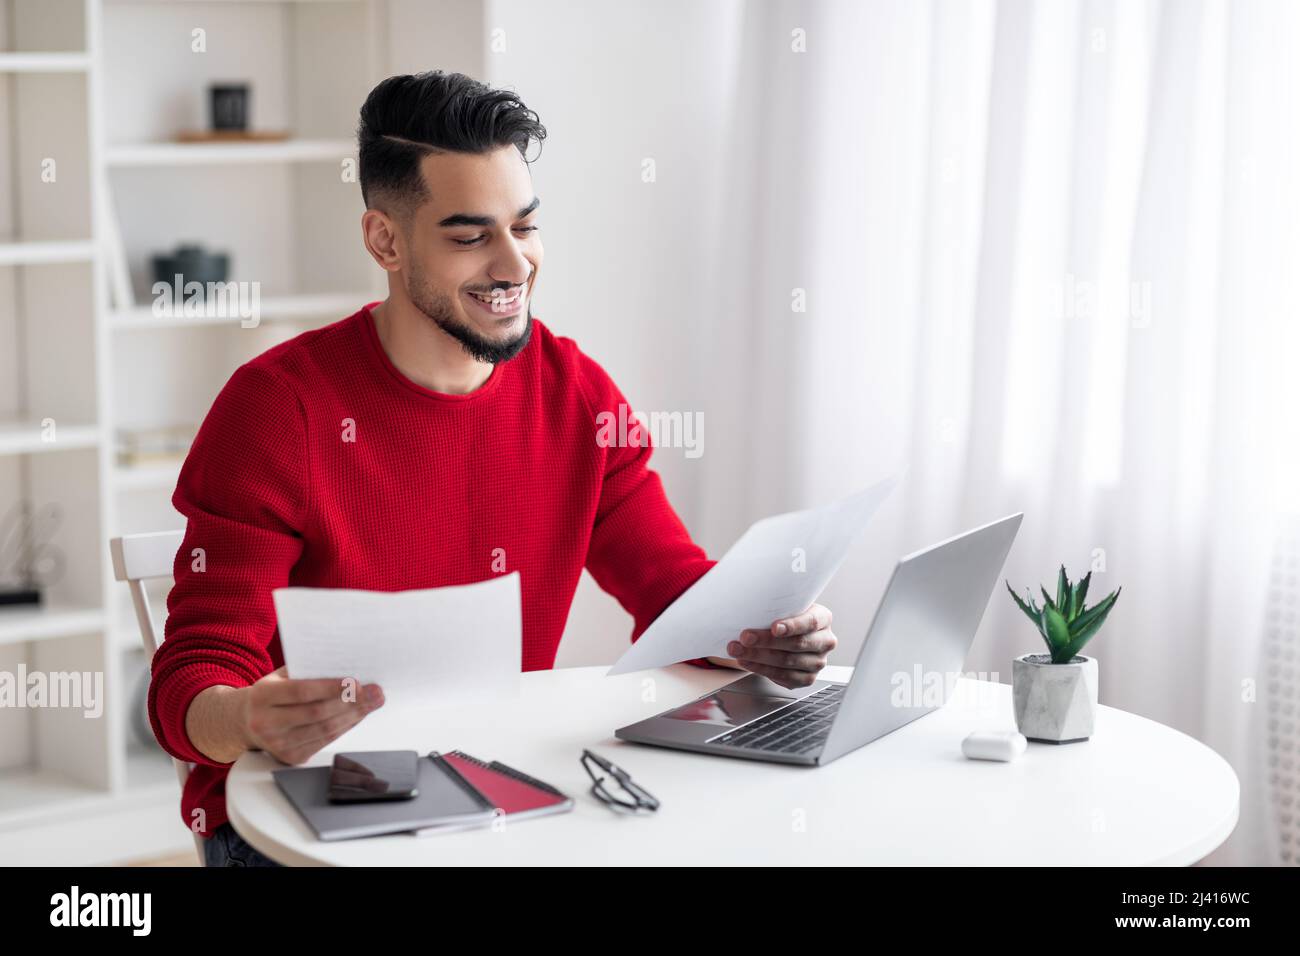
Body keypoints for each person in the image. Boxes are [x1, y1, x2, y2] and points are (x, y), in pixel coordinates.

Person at [148, 71, 836, 866]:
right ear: (385, 241)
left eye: (526, 227)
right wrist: (247, 717)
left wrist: (755, 633)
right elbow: (189, 687)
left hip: (492, 792)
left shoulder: (576, 392)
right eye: (471, 236)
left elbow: (673, 592)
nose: (515, 265)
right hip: (298, 812)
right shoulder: (277, 409)